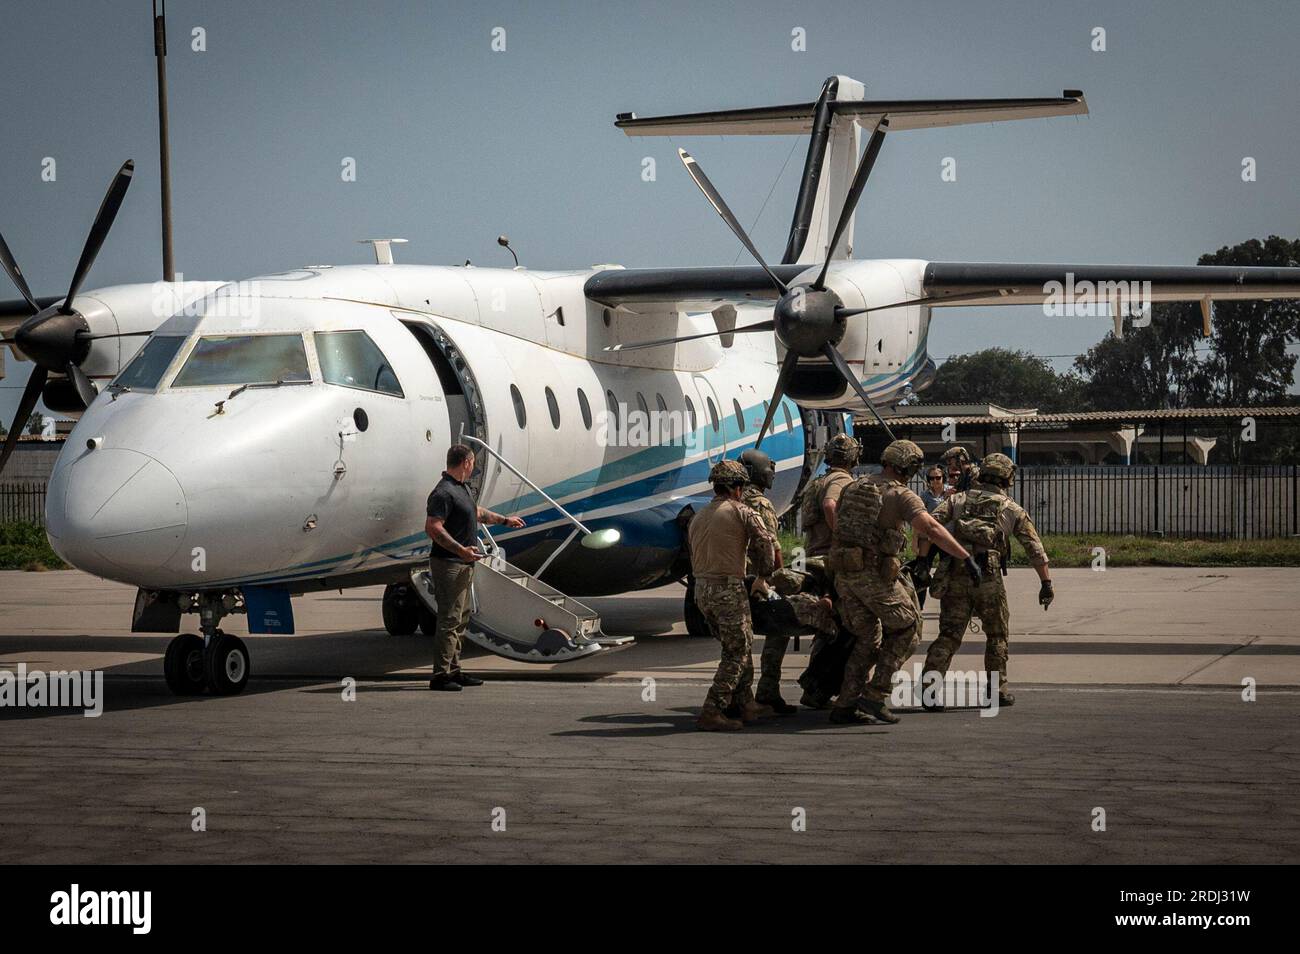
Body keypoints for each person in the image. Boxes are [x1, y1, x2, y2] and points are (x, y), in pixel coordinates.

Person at [827, 440, 978, 725]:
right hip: (873, 576)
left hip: (844, 576)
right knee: (907, 627)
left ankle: (845, 704)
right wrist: (965, 555)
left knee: (868, 639)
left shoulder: (853, 487)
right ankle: (875, 695)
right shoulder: (901, 495)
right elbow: (931, 528)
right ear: (909, 467)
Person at [920, 452, 1053, 708]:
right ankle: (997, 691)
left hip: (955, 573)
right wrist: (1046, 583)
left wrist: (924, 562)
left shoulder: (957, 499)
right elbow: (1034, 549)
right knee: (996, 634)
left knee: (948, 636)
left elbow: (927, 526)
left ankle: (929, 690)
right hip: (988, 577)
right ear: (1007, 479)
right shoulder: (1011, 508)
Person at [425, 444, 525, 691]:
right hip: (449, 564)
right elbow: (433, 527)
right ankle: (440, 675)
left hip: (464, 563)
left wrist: (504, 520)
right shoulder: (443, 493)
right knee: (449, 619)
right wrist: (460, 550)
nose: (473, 467)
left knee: (462, 617)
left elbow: (476, 513)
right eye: (472, 463)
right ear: (466, 463)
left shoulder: (461, 489)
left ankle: (454, 670)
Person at [688, 459, 777, 731]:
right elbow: (765, 545)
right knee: (737, 652)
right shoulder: (742, 512)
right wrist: (763, 577)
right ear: (738, 487)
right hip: (728, 590)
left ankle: (745, 703)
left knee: (737, 646)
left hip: (701, 590)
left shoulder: (698, 516)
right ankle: (712, 709)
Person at [739, 448, 798, 716]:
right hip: (760, 581)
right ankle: (767, 692)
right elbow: (771, 545)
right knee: (777, 633)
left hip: (737, 579)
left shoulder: (733, 499)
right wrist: (779, 579)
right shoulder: (761, 504)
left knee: (741, 641)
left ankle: (741, 695)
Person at [800, 434, 861, 557]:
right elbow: (829, 505)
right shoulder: (841, 478)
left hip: (814, 552)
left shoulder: (819, 481)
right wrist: (843, 539)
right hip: (830, 555)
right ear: (853, 457)